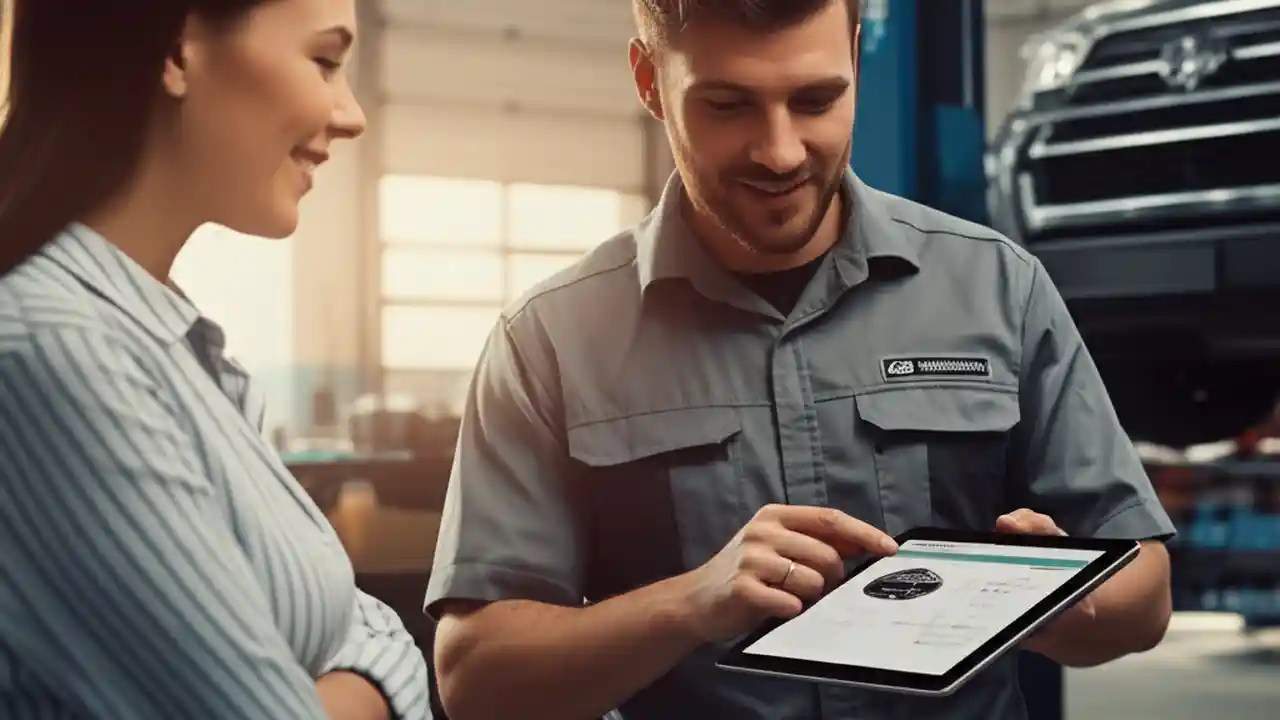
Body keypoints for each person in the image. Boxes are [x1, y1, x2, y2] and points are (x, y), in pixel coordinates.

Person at [426, 0, 1175, 718]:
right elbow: (476, 679)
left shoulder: (998, 289)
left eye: (816, 99)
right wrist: (689, 604)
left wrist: (1065, 598)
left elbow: (1146, 593)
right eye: (727, 105)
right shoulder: (550, 338)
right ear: (650, 81)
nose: (780, 152)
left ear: (854, 58)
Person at [0, 2, 430, 718]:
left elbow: (372, 624)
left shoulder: (171, 349)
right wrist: (376, 678)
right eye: (323, 61)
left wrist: (360, 669)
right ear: (174, 50)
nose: (351, 114)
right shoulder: (57, 353)